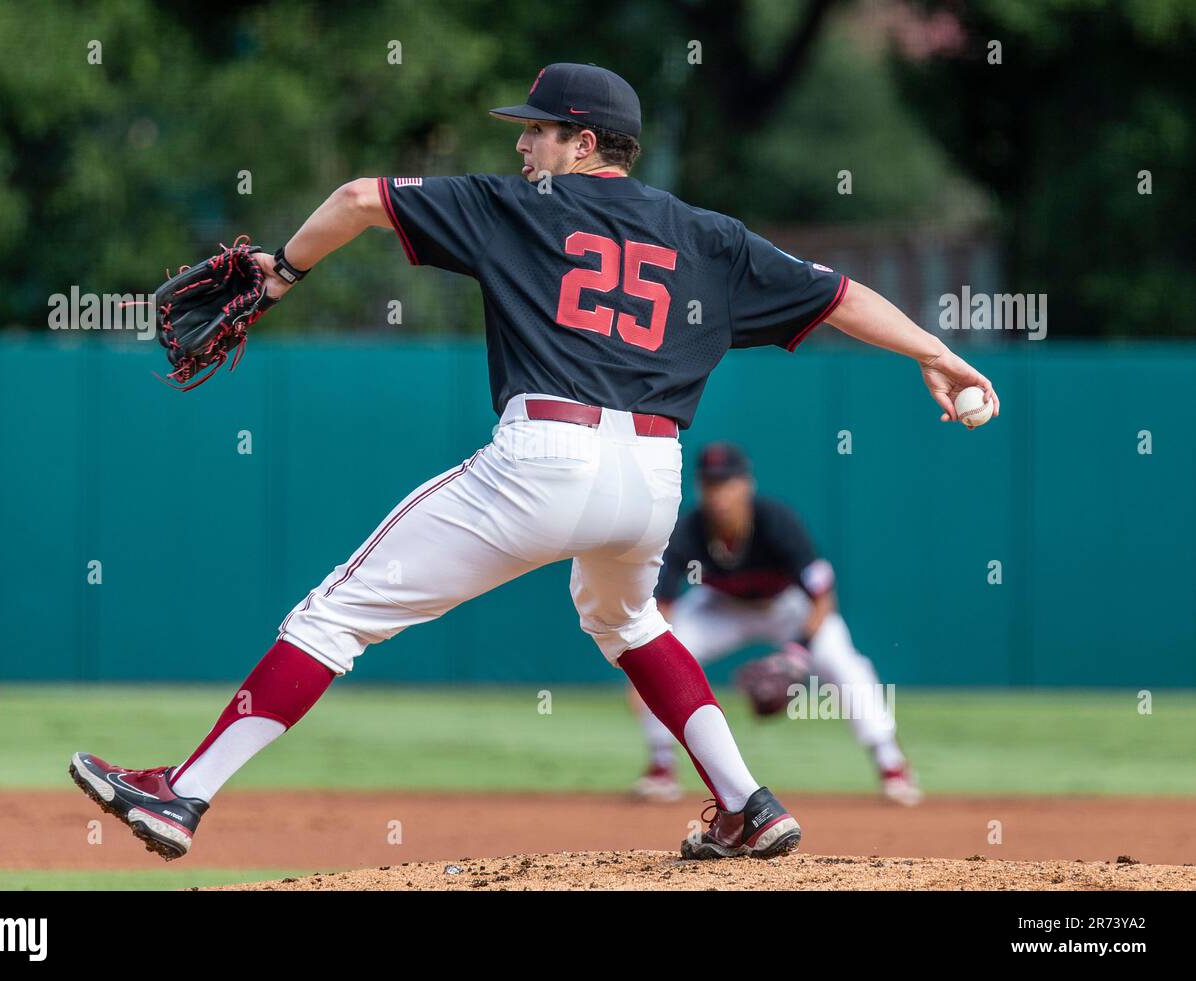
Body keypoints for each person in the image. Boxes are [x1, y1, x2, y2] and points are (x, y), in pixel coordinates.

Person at [69, 63, 996, 863]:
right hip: (650, 477)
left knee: (336, 615)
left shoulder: (521, 206)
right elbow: (838, 296)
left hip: (542, 456)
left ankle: (181, 792)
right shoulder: (708, 236)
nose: (522, 147)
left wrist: (279, 272)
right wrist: (938, 354)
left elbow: (358, 200)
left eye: (538, 131)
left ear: (584, 142)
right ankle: (748, 805)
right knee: (626, 617)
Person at [631, 441, 921, 806]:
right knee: (662, 657)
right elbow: (664, 608)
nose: (719, 493)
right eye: (710, 484)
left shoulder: (777, 521)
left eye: (727, 482)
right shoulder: (687, 530)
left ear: (746, 485)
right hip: (720, 608)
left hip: (787, 607)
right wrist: (645, 662)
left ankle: (891, 763)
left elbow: (822, 598)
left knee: (842, 662)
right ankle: (661, 767)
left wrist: (798, 654)